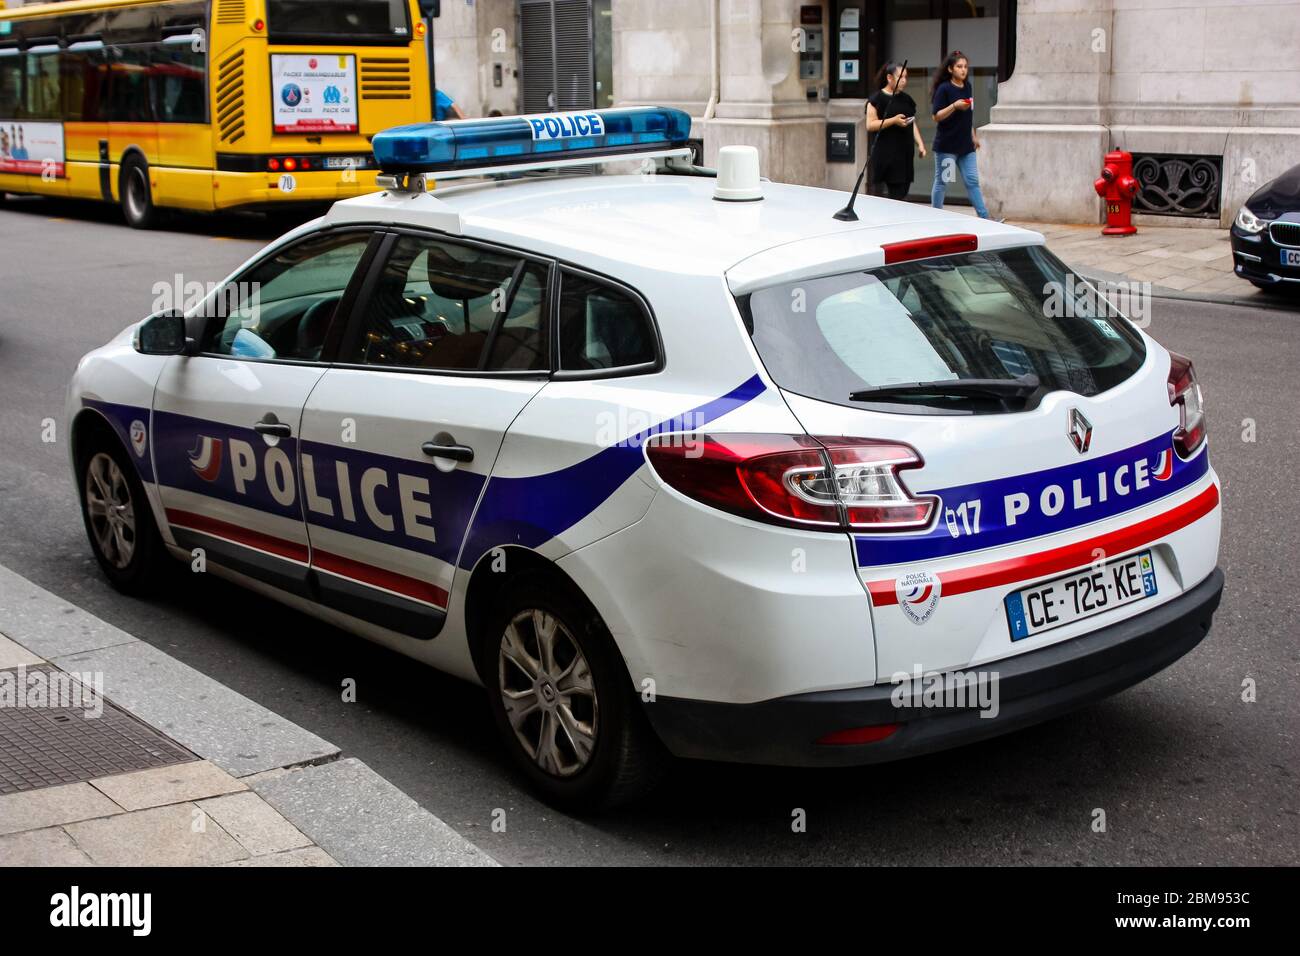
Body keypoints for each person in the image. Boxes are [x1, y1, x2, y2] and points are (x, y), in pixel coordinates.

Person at [930, 50, 989, 218]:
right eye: (959, 66)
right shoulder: (944, 89)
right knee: (943, 181)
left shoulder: (968, 87)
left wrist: (973, 136)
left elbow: (968, 115)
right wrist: (954, 106)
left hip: (966, 146)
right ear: (950, 69)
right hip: (947, 146)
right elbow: (936, 116)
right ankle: (935, 216)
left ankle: (984, 217)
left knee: (972, 181)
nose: (963, 70)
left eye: (965, 67)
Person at [865, 61, 925, 200]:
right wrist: (893, 121)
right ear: (889, 78)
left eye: (906, 77)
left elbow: (912, 122)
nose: (904, 80)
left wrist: (920, 144)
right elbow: (870, 125)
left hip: (904, 154)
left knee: (902, 191)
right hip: (885, 153)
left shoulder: (907, 99)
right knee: (890, 196)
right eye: (900, 77)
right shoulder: (876, 99)